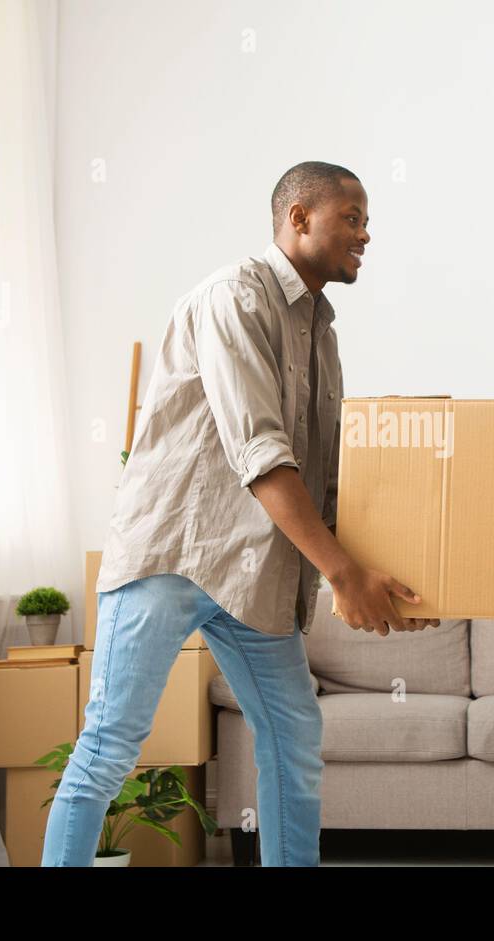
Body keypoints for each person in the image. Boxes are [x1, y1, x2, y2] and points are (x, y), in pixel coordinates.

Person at [41, 161, 438, 868]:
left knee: (293, 740)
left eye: (366, 220)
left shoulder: (321, 329)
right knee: (110, 744)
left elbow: (325, 472)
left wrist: (402, 578)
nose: (366, 233)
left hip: (256, 572)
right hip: (175, 555)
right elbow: (262, 453)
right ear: (299, 218)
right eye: (351, 217)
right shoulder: (235, 299)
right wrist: (344, 574)